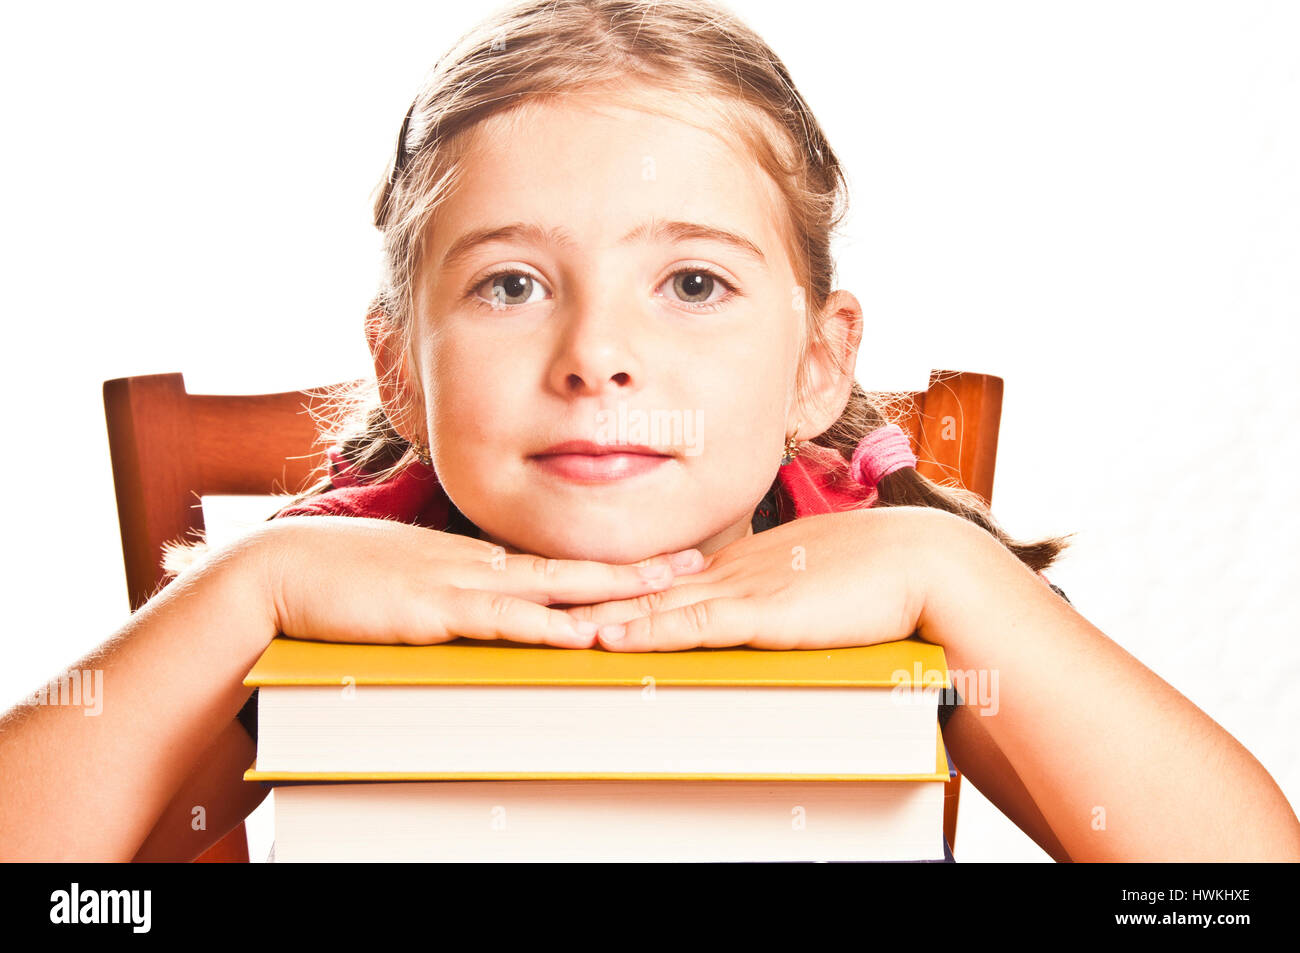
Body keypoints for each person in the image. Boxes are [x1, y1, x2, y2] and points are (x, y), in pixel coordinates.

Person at [2, 0, 1297, 864]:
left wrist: (963, 580)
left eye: (692, 283)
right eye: (511, 284)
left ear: (817, 364)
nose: (597, 358)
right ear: (399, 367)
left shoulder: (867, 565)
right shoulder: (342, 581)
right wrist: (247, 587)